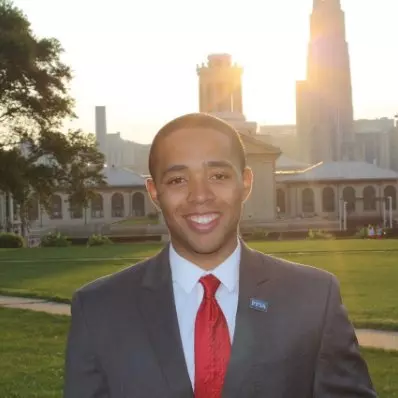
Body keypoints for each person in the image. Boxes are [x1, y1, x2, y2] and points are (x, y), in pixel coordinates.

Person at [64, 113, 377, 397]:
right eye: (177, 180)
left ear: (246, 183)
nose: (200, 196)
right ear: (154, 192)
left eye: (218, 176)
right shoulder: (99, 310)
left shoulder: (313, 299)